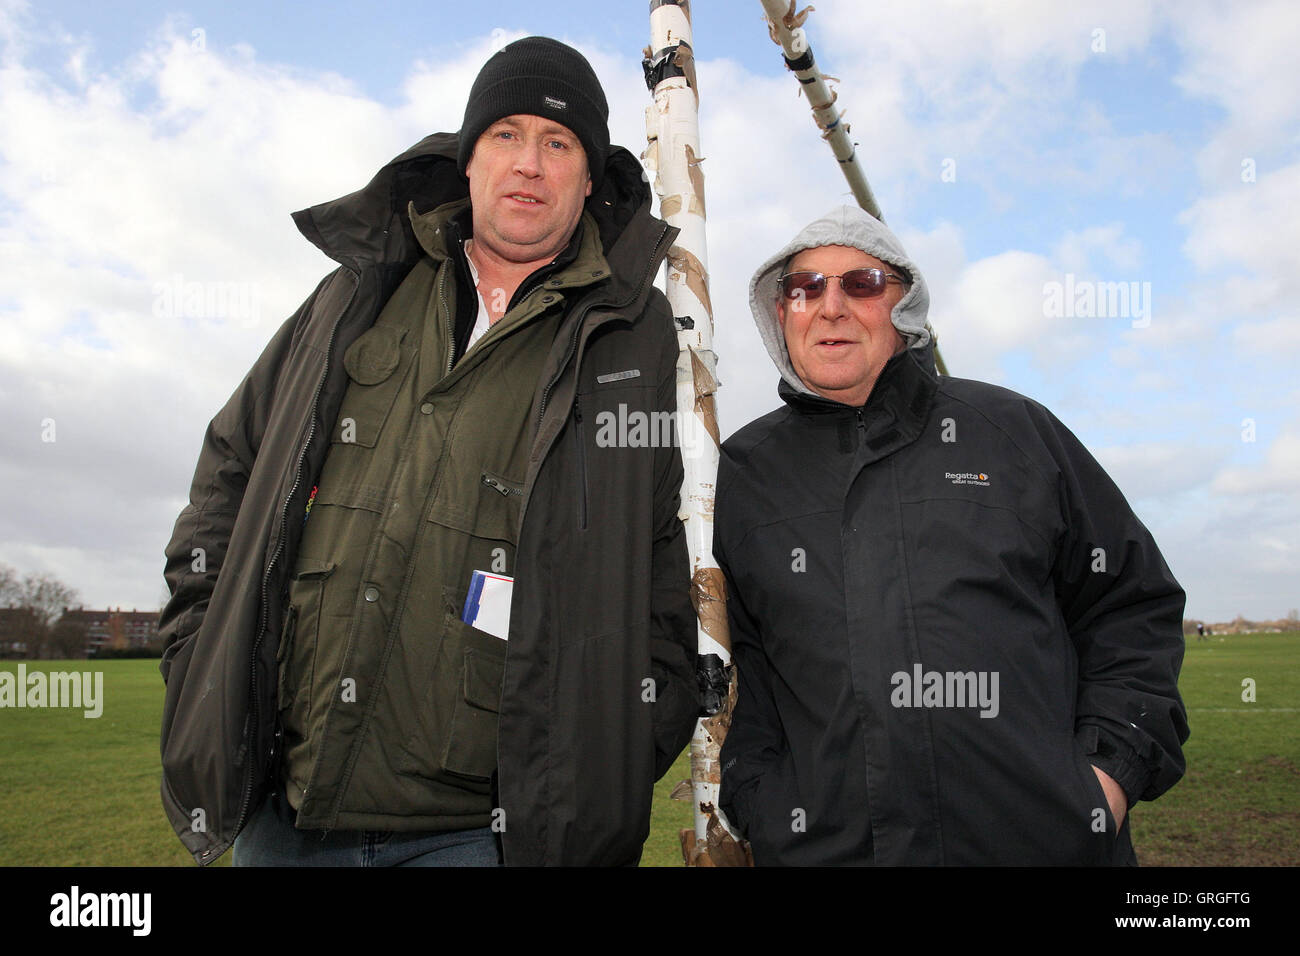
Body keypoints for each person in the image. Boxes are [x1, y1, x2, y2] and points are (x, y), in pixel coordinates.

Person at [158, 36, 700, 867]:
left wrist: (620, 748)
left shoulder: (632, 334)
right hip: (287, 812)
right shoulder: (360, 288)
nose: (529, 164)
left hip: (481, 838)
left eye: (558, 144)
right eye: (506, 136)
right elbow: (232, 465)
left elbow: (660, 557)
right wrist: (202, 651)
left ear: (588, 179)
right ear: (468, 159)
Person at [715, 206, 1189, 865]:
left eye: (861, 283)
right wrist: (758, 797)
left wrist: (1106, 779)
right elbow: (742, 661)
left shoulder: (1013, 431)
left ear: (904, 305)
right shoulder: (743, 470)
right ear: (780, 312)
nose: (830, 307)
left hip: (1036, 846)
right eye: (805, 288)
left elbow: (1130, 609)